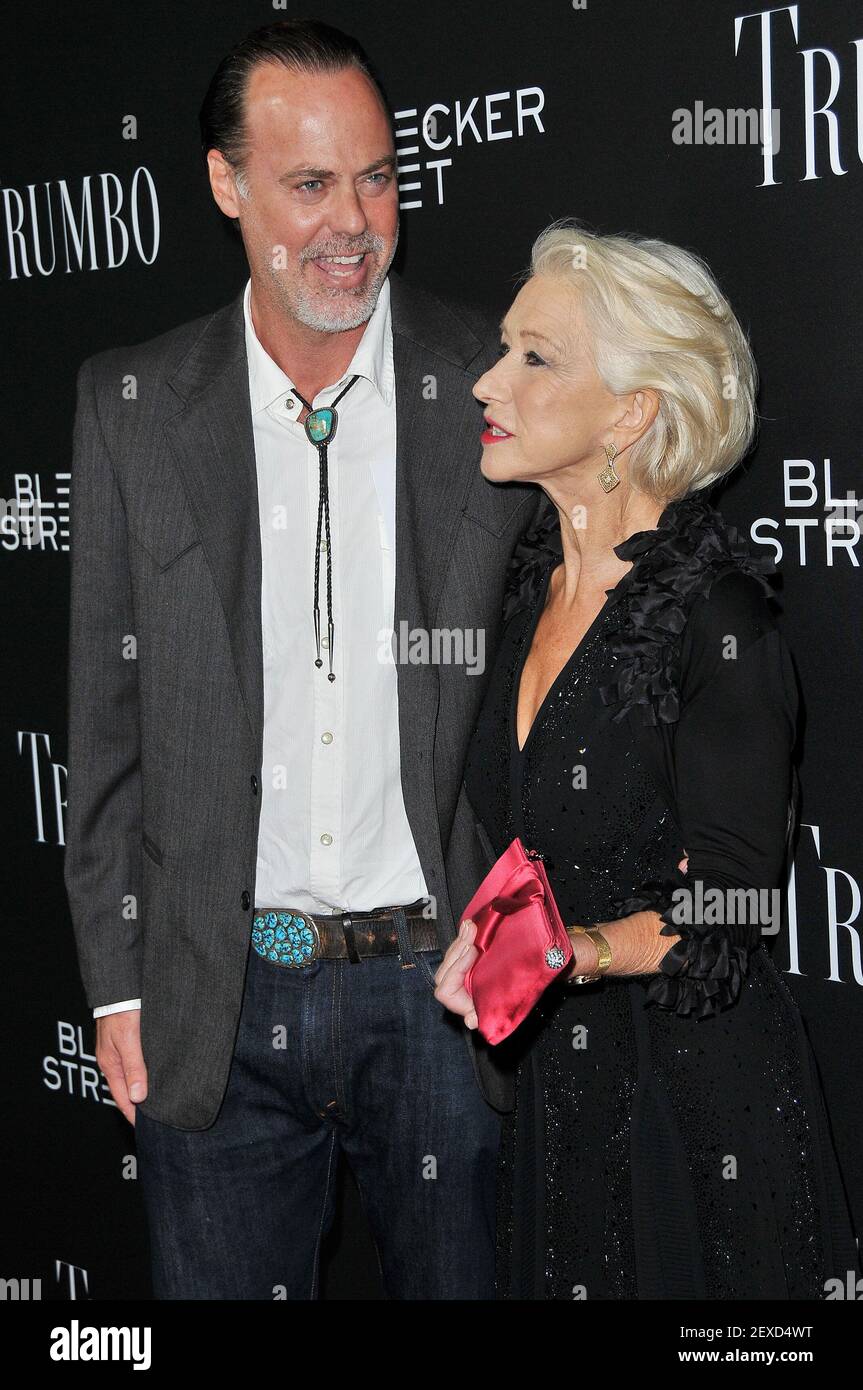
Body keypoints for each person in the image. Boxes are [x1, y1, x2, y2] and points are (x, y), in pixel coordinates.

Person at [63, 19, 541, 1300]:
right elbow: (104, 729)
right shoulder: (132, 408)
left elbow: (559, 704)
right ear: (226, 185)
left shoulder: (487, 383)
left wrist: (516, 965)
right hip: (216, 997)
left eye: (378, 177)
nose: (355, 222)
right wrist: (118, 990)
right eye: (310, 183)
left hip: (444, 996)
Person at [434, 220, 860, 1299]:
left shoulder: (715, 618)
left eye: (535, 357)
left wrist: (565, 950)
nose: (488, 380)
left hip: (694, 1101)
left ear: (630, 411)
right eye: (501, 346)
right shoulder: (521, 586)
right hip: (557, 1092)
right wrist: (498, 950)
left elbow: (728, 915)